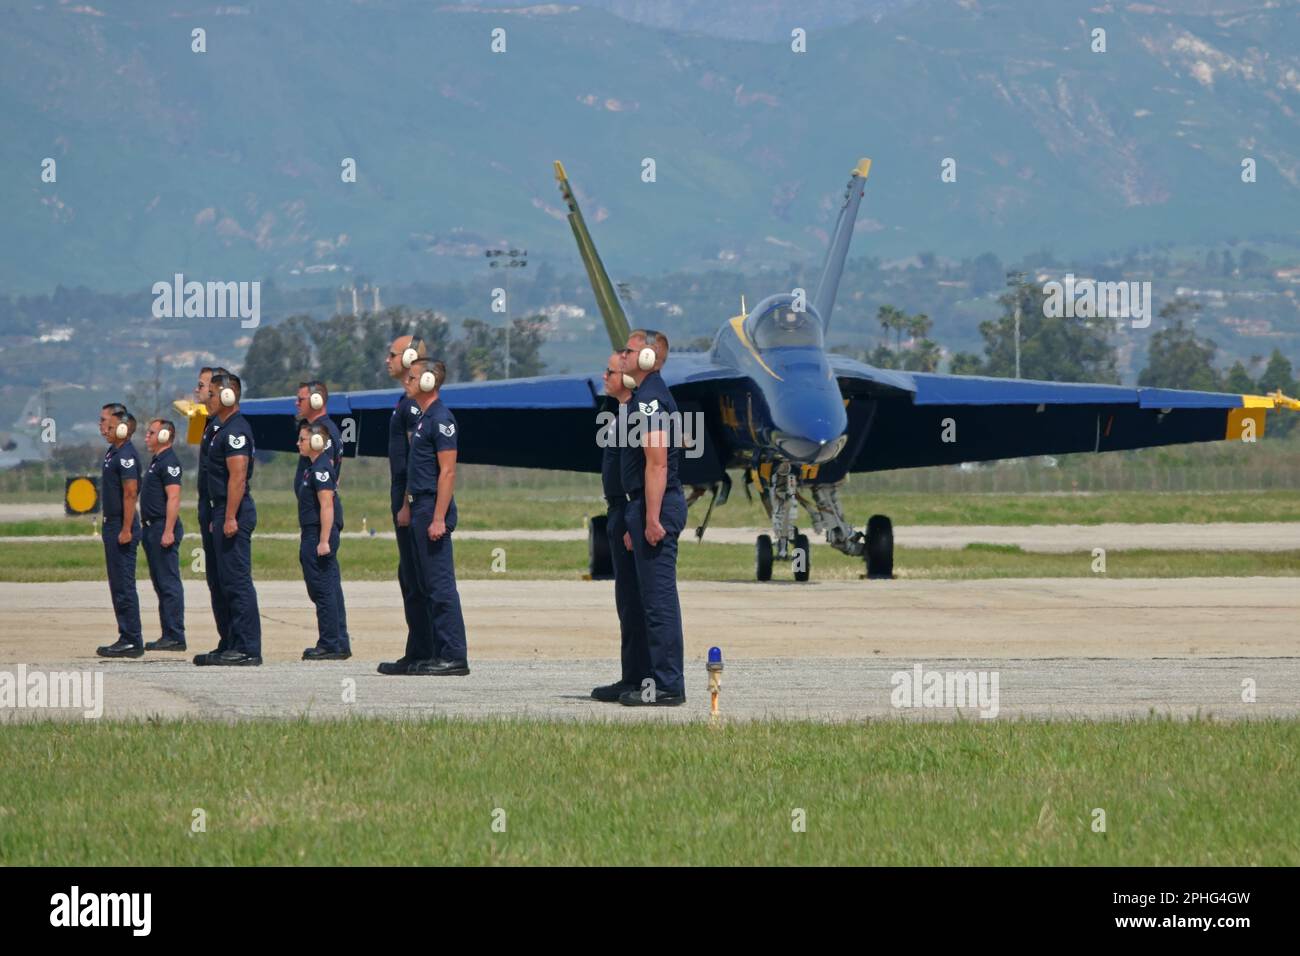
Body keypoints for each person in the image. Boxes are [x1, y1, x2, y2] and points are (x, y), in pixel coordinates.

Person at [378, 359, 469, 676]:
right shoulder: (422, 420)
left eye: (413, 377)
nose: (407, 380)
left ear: (429, 381)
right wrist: (406, 504)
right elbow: (411, 470)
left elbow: (447, 473)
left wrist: (439, 518)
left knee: (440, 585)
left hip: (432, 507)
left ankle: (454, 655)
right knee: (419, 581)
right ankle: (425, 651)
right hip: (417, 505)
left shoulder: (441, 419)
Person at [617, 330, 687, 706]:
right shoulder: (645, 397)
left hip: (656, 505)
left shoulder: (650, 402)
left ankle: (668, 685)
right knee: (648, 601)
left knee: (659, 603)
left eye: (628, 351)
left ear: (646, 358)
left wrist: (652, 518)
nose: (622, 356)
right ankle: (649, 680)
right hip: (643, 506)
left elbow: (657, 464)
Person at [591, 354, 649, 701]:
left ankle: (647, 679)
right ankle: (632, 676)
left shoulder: (638, 417)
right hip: (617, 511)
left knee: (641, 602)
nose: (605, 376)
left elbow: (648, 470)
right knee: (627, 601)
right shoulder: (619, 417)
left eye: (610, 372)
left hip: (628, 511)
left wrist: (635, 518)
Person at [194, 372, 262, 666]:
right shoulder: (217, 428)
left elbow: (238, 478)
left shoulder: (235, 430)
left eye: (210, 394)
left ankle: (248, 647)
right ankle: (231, 641)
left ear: (226, 396)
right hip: (219, 509)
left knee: (236, 581)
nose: (205, 399)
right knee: (221, 582)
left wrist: (230, 516)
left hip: (232, 508)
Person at [380, 335, 433, 672]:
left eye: (392, 354)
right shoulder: (406, 402)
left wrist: (407, 504)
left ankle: (427, 650)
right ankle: (417, 649)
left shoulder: (413, 407)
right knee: (410, 578)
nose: (387, 359)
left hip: (410, 499)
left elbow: (416, 459)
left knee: (420, 579)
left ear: (410, 357)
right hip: (403, 496)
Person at [294, 380, 350, 650]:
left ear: (316, 400)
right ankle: (337, 639)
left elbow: (326, 498)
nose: (297, 403)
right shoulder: (319, 436)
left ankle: (331, 642)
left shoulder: (322, 439)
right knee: (328, 582)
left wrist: (324, 537)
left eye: (301, 399)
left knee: (322, 584)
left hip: (319, 524)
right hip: (316, 522)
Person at [96, 404, 144, 658]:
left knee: (124, 584)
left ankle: (132, 639)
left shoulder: (125, 455)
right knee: (117, 584)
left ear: (123, 426)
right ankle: (126, 634)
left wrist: (126, 528)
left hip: (121, 524)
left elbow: (130, 492)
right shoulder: (112, 453)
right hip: (111, 523)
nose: (102, 427)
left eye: (107, 423)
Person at [140, 418, 187, 651]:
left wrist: (168, 530)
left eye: (151, 433)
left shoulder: (169, 462)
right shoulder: (156, 461)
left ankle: (175, 635)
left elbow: (174, 497)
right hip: (151, 527)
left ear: (164, 436)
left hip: (162, 527)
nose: (146, 436)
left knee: (168, 583)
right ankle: (167, 632)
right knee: (160, 583)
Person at [195, 366, 232, 654]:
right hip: (208, 506)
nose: (199, 392)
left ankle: (237, 641)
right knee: (214, 578)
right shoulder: (208, 424)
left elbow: (238, 475)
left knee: (229, 578)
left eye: (204, 387)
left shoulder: (229, 428)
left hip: (222, 508)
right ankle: (226, 639)